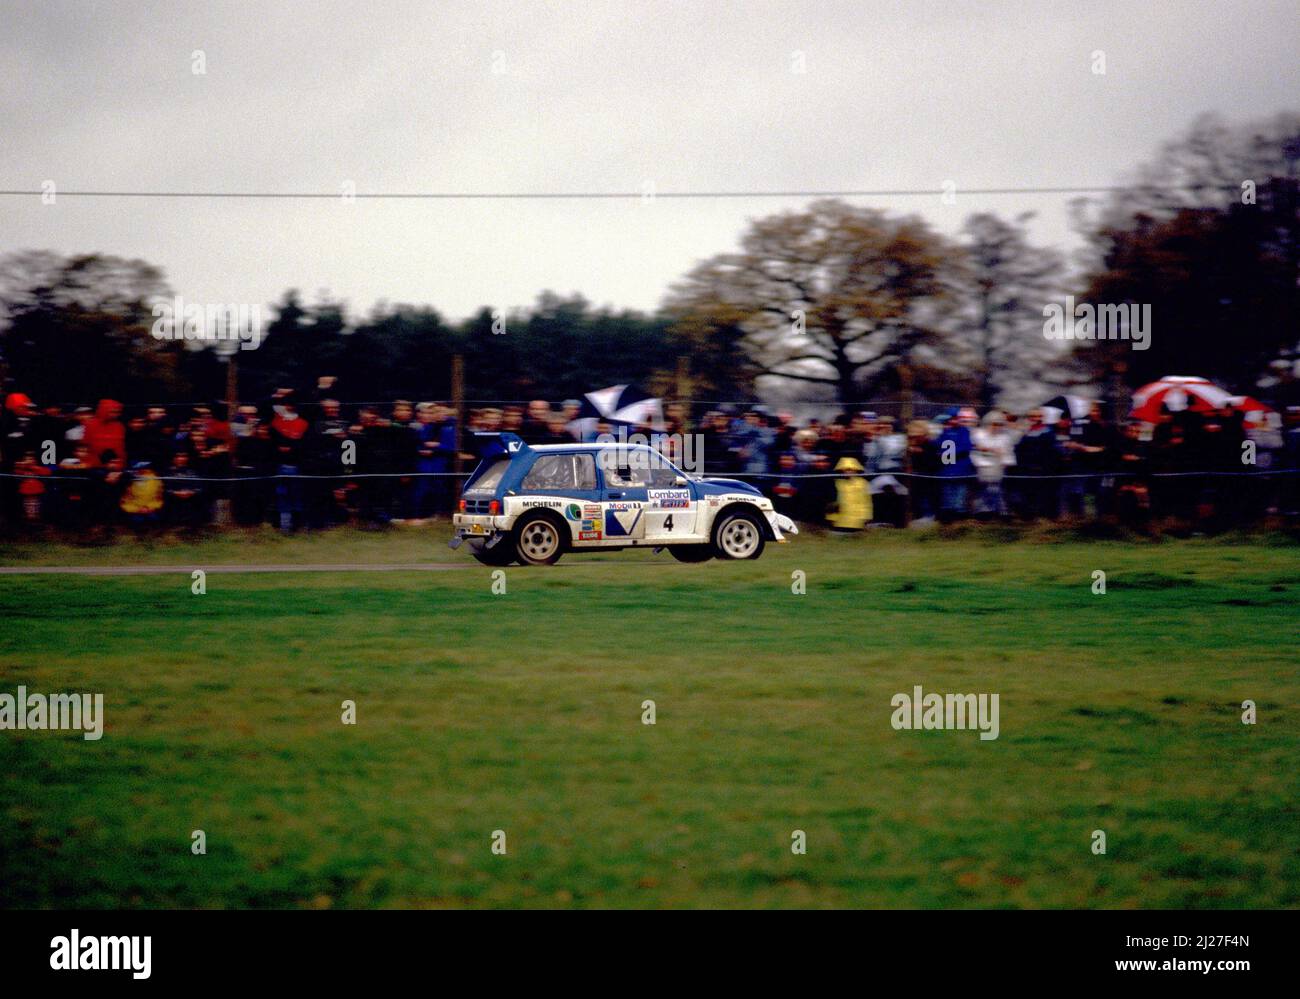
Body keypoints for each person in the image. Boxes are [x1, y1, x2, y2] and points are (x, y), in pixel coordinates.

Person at [828, 455, 871, 531]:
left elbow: (866, 502)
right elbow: (833, 502)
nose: (849, 472)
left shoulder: (863, 483)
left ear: (856, 469)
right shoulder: (837, 483)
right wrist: (831, 517)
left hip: (857, 521)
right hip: (839, 520)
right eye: (846, 469)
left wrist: (866, 516)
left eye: (851, 469)